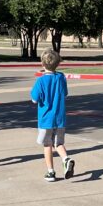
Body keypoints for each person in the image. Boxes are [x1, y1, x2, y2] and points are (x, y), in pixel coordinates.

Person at [30, 49, 74, 181]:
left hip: (46, 119)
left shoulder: (41, 81)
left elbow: (34, 99)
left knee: (47, 145)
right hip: (60, 118)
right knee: (59, 143)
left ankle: (51, 172)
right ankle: (66, 159)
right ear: (58, 63)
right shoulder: (61, 78)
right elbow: (65, 93)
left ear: (42, 64)